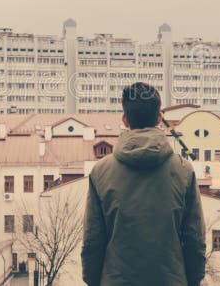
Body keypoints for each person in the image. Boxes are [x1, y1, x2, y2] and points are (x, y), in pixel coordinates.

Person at [82, 82, 206, 286]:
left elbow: (92, 240)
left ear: (124, 119)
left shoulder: (101, 171)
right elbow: (195, 239)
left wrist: (96, 281)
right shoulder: (183, 170)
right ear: (159, 118)